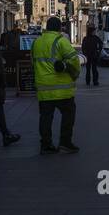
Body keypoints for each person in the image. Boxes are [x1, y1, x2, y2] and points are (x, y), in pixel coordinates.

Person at [32, 16, 80, 154]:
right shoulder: (61, 41)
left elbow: (33, 63)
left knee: (45, 118)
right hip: (62, 89)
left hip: (43, 89)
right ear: (60, 28)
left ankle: (46, 145)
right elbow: (74, 60)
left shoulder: (36, 42)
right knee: (68, 115)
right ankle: (65, 142)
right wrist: (75, 74)